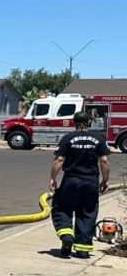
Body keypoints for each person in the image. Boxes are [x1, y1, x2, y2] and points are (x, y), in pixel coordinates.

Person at [49, 110, 111, 258]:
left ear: (73, 122)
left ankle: (66, 235)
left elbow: (59, 160)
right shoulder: (98, 138)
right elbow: (104, 161)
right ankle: (83, 249)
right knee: (87, 213)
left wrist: (53, 178)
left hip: (71, 179)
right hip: (91, 181)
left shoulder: (68, 138)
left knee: (62, 208)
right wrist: (105, 180)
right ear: (89, 122)